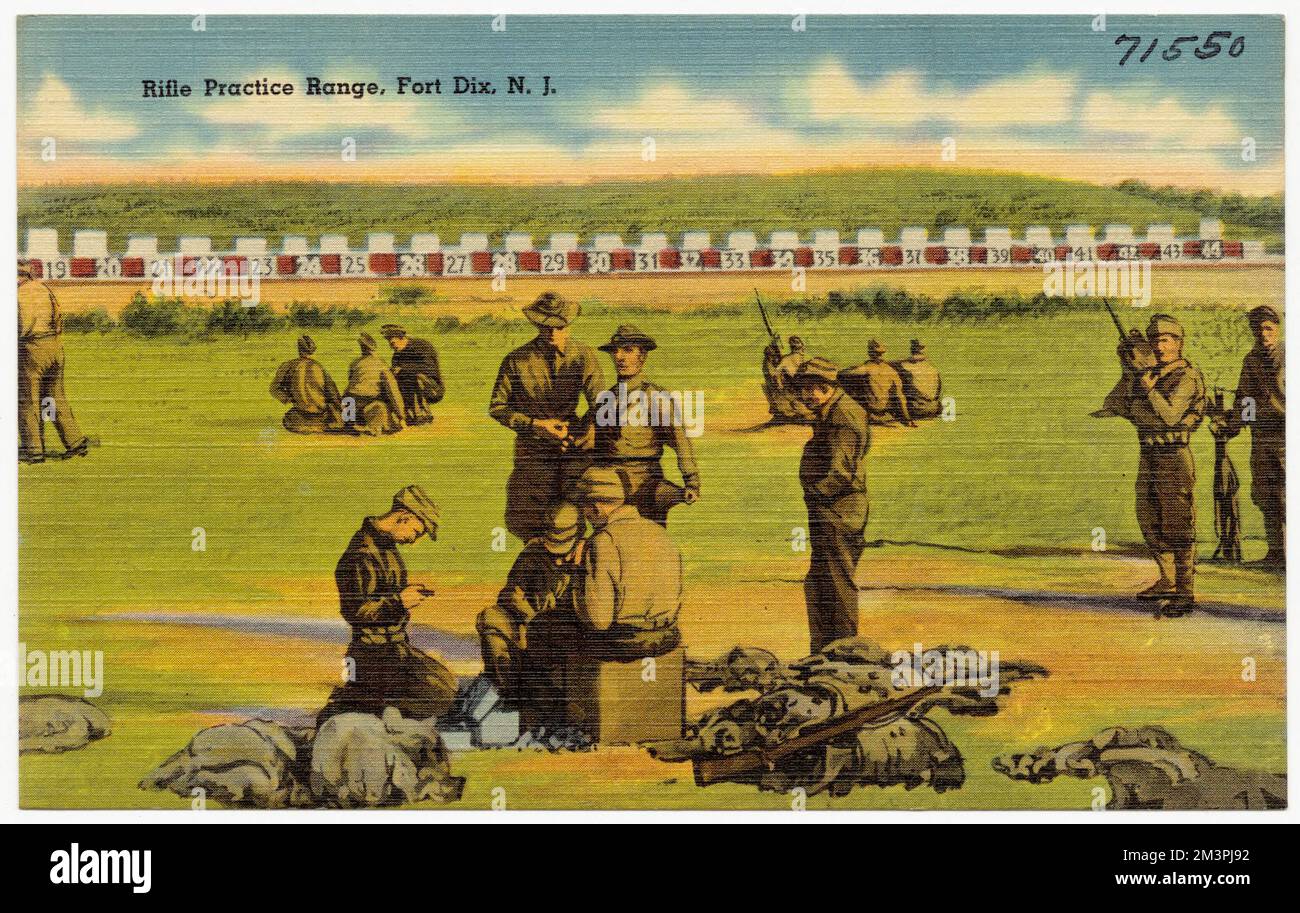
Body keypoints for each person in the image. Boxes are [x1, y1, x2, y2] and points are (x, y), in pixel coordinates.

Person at [317, 485, 457, 725]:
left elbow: (383, 591)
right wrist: (400, 601)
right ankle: (354, 706)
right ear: (405, 517)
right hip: (373, 654)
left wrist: (405, 594)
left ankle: (370, 704)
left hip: (396, 649)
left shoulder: (386, 547)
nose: (414, 540)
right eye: (417, 532)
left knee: (446, 685)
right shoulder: (361, 554)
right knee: (437, 695)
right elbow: (356, 612)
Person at [1109, 314, 1208, 610]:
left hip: (1174, 457)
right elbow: (1114, 405)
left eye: (1165, 340)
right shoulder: (1149, 373)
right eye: (1154, 341)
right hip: (1150, 454)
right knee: (1150, 519)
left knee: (1179, 524)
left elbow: (1169, 416)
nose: (1159, 346)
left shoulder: (1186, 376)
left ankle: (1185, 593)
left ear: (1178, 343)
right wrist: (1128, 369)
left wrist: (1147, 392)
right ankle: (1168, 580)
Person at [488, 292, 604, 542]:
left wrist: (592, 429)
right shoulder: (515, 361)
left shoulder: (584, 356)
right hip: (532, 450)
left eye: (559, 327)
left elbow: (601, 403)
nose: (553, 333)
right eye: (546, 327)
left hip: (572, 446)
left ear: (568, 325)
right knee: (528, 520)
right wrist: (534, 425)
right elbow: (497, 407)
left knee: (575, 514)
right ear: (537, 325)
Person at [792, 357, 871, 653]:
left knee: (837, 585)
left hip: (837, 511)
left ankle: (844, 652)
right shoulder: (835, 410)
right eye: (805, 389)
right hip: (832, 509)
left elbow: (841, 473)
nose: (810, 394)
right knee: (820, 582)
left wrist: (815, 492)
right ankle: (825, 651)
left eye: (817, 388)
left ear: (830, 386)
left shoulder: (842, 416)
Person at [592, 324, 700, 525]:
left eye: (628, 350)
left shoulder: (655, 397)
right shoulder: (605, 399)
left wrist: (691, 482)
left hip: (647, 486)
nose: (620, 357)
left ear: (642, 357)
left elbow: (680, 442)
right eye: (616, 351)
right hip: (610, 489)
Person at [574, 465, 683, 660]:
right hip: (668, 637)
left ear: (596, 507)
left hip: (628, 644)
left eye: (584, 509)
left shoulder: (603, 541)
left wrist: (578, 572)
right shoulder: (660, 532)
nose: (585, 516)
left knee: (551, 628)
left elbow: (599, 620)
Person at [476, 501, 583, 701]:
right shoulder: (534, 552)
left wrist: (531, 615)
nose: (558, 560)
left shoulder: (590, 556)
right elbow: (508, 595)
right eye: (553, 552)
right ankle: (508, 692)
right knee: (489, 617)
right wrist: (517, 604)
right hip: (528, 636)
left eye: (563, 552)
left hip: (562, 642)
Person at [1212, 305, 1285, 567]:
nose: (1264, 333)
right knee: (1265, 494)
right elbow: (1247, 400)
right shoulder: (1251, 360)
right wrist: (1231, 424)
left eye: (1268, 328)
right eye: (1258, 328)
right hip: (1262, 437)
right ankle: (1276, 552)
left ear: (1277, 328)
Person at [18, 261, 88, 463]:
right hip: (55, 347)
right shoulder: (44, 289)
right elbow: (58, 317)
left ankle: (34, 450)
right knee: (55, 396)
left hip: (32, 348)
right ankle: (75, 442)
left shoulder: (17, 295)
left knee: (27, 400)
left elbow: (18, 327)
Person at [269, 334, 344, 434]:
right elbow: (333, 394)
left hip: (301, 415)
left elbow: (274, 389)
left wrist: (290, 398)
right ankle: (323, 426)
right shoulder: (319, 367)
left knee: (288, 419)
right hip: (321, 415)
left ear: (299, 349)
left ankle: (310, 427)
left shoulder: (287, 366)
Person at [840, 340, 915, 426]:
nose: (881, 356)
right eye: (879, 353)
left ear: (870, 353)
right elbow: (900, 396)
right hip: (887, 414)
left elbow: (842, 374)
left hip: (873, 411)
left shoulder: (866, 368)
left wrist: (854, 367)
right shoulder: (890, 370)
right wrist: (908, 419)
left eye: (880, 353)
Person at [381, 324, 444, 426]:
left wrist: (404, 368)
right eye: (389, 343)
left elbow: (430, 368)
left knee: (417, 377)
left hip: (433, 389)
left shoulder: (421, 345)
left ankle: (423, 414)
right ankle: (410, 414)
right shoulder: (396, 355)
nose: (391, 346)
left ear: (402, 338)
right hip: (409, 391)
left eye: (392, 342)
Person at [344, 332, 405, 435]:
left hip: (350, 402)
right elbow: (393, 391)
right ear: (373, 349)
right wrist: (401, 416)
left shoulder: (354, 363)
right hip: (369, 401)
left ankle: (351, 423)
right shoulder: (381, 364)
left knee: (349, 401)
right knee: (382, 407)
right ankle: (373, 424)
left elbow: (351, 382)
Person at [893, 339, 943, 420]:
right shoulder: (933, 369)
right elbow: (938, 391)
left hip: (917, 410)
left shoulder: (904, 366)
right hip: (934, 408)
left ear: (912, 349)